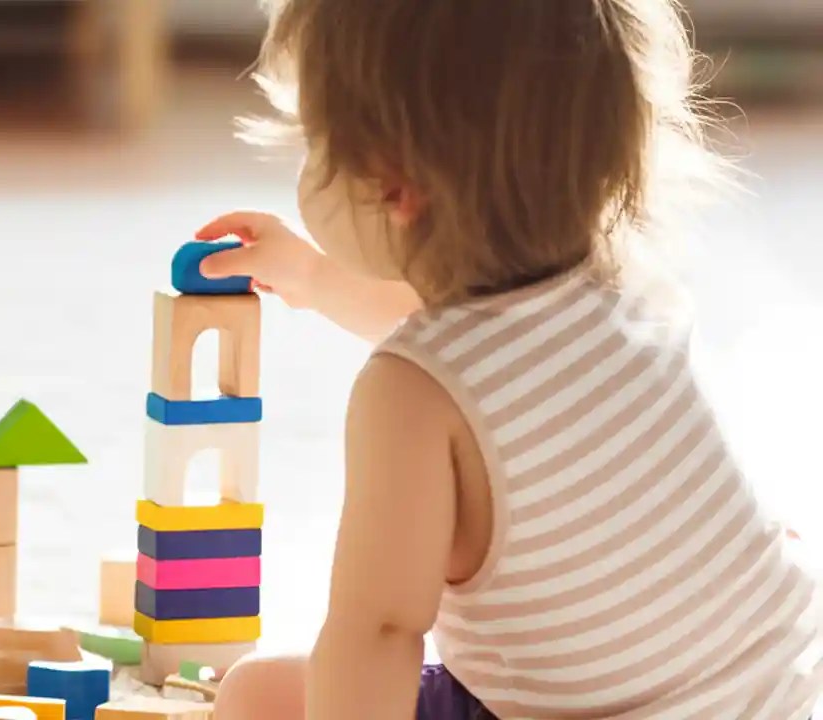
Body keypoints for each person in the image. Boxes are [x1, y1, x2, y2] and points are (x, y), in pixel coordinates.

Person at [196, 1, 823, 718]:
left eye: (311, 142)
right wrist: (313, 280)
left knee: (257, 694)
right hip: (776, 686)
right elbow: (477, 348)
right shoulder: (623, 282)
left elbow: (379, 632)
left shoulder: (408, 393)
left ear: (391, 186)